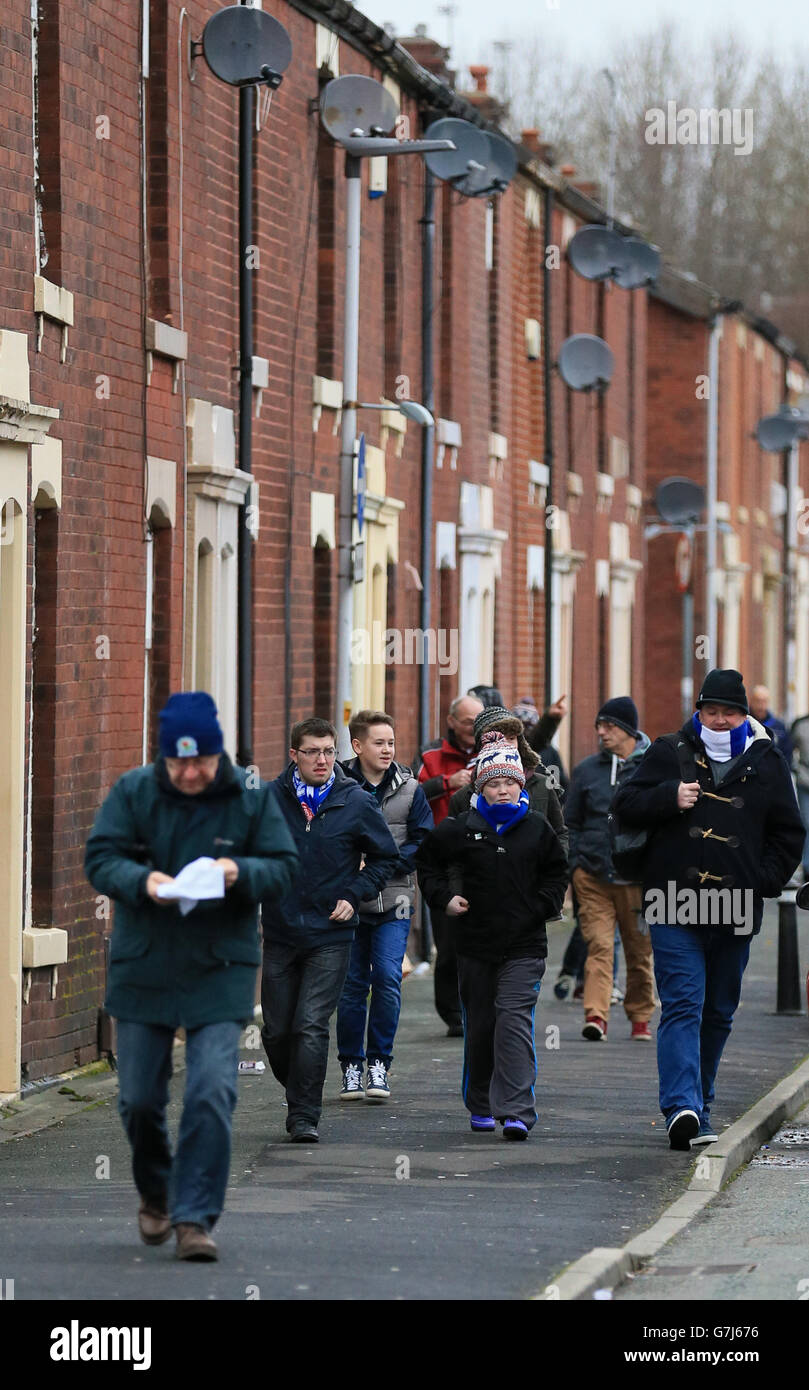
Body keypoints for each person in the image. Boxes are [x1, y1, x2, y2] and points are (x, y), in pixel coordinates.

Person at [84, 691, 299, 1262]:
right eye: (177, 763)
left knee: (210, 1091)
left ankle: (194, 1218)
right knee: (138, 1100)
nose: (188, 773)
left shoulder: (250, 797)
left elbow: (283, 868)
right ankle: (157, 1193)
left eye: (199, 762)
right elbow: (100, 858)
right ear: (163, 756)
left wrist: (237, 870)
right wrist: (142, 882)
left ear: (216, 752)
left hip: (219, 967)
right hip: (144, 965)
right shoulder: (135, 790)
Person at [612, 669, 804, 1150]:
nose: (719, 720)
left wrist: (762, 880)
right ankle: (682, 1106)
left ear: (744, 715)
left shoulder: (767, 760)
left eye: (729, 712)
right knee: (682, 1003)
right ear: (698, 711)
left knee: (718, 1009)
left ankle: (703, 1100)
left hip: (736, 904)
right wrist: (667, 797)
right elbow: (624, 803)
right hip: (674, 900)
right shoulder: (667, 751)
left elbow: (789, 834)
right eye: (711, 711)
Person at [416, 736, 568, 1139]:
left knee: (513, 1021)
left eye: (510, 783)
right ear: (480, 787)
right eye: (493, 783)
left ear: (521, 785)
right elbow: (427, 865)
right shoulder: (461, 828)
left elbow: (557, 873)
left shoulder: (536, 828)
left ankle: (517, 1110)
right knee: (481, 1024)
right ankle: (481, 1103)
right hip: (475, 945)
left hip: (525, 945)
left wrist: (540, 908)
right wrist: (445, 899)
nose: (502, 790)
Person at [260, 717, 399, 1143]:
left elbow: (385, 858)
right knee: (277, 1030)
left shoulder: (354, 801)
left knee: (310, 1024)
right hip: (282, 932)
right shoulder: (269, 800)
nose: (322, 760)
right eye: (312, 752)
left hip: (331, 933)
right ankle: (299, 1088)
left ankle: (304, 1115)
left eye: (328, 751)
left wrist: (352, 893)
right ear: (294, 756)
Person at [336, 709, 434, 1102]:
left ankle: (379, 1063)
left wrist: (385, 865)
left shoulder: (411, 788)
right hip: (349, 904)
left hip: (395, 900)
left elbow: (423, 839)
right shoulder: (338, 786)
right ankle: (351, 1068)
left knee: (389, 980)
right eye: (379, 742)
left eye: (391, 742)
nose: (387, 749)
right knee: (352, 986)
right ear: (357, 746)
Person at [565, 697, 656, 1042]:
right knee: (599, 947)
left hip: (637, 879)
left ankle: (640, 1018)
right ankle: (596, 1016)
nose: (601, 732)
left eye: (609, 726)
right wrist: (575, 867)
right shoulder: (588, 770)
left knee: (638, 952)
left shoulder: (653, 766)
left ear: (628, 730)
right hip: (593, 875)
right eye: (599, 726)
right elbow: (570, 822)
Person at [417, 693, 484, 1034]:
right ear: (452, 721)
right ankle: (452, 1014)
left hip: (484, 857)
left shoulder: (493, 751)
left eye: (478, 720)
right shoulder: (431, 755)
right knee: (448, 944)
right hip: (443, 860)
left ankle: (480, 1006)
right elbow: (412, 795)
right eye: (468, 721)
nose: (474, 727)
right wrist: (447, 783)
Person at [448, 703, 568, 857]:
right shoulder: (464, 797)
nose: (505, 744)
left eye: (511, 738)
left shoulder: (543, 786)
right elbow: (454, 851)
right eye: (497, 738)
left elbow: (559, 833)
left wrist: (556, 871)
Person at [749, 684, 793, 762]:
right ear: (751, 701)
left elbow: (787, 754)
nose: (761, 706)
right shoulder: (744, 723)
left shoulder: (779, 727)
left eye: (764, 701)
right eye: (758, 701)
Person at [790, 711, 809, 884]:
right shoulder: (800, 724)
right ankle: (808, 867)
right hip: (805, 781)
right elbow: (789, 749)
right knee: (806, 823)